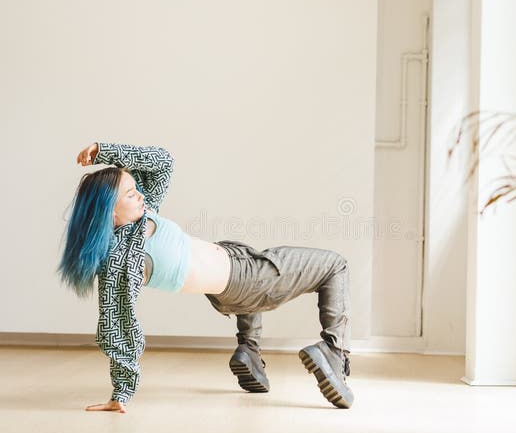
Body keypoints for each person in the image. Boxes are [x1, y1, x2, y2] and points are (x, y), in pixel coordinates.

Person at [57, 141, 354, 414]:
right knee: (335, 266)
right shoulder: (123, 261)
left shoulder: (139, 220)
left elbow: (162, 162)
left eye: (137, 189)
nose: (141, 195)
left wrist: (103, 151)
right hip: (248, 281)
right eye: (131, 194)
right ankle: (334, 352)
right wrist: (120, 393)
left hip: (235, 277)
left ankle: (249, 352)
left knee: (241, 249)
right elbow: (118, 323)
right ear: (109, 212)